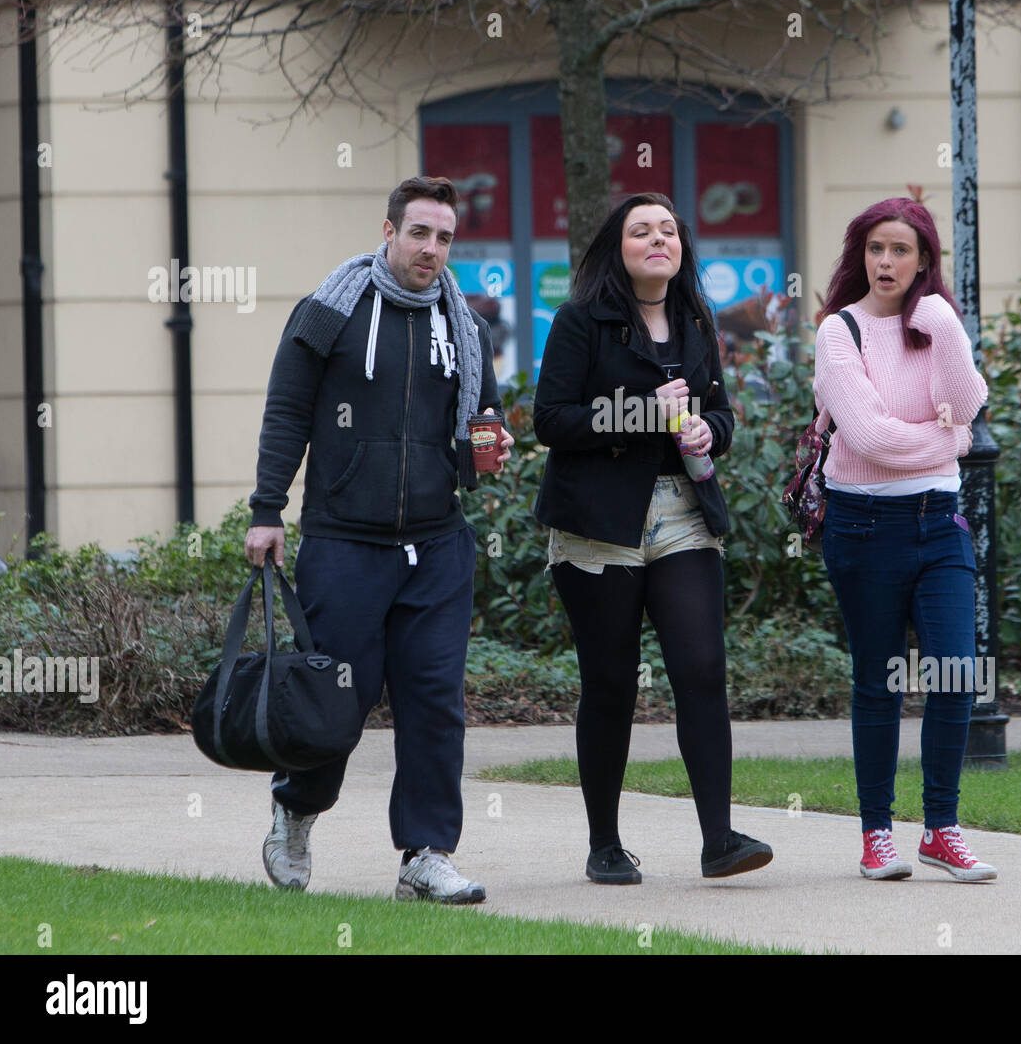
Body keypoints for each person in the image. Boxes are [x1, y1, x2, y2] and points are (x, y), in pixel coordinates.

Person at [244, 175, 514, 903]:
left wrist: (489, 446)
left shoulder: (465, 327)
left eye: (445, 237)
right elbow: (287, 411)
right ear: (388, 230)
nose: (432, 249)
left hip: (436, 546)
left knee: (434, 700)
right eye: (420, 232)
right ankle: (296, 811)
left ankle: (426, 853)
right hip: (343, 543)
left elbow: (478, 429)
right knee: (336, 697)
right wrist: (267, 509)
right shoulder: (328, 311)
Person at [532, 192, 772, 884]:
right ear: (619, 247)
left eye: (668, 229)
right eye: (642, 230)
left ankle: (719, 839)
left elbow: (721, 412)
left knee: (700, 668)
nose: (658, 238)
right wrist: (642, 415)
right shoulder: (583, 320)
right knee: (609, 684)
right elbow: (552, 417)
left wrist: (707, 431)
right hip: (600, 523)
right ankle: (605, 844)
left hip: (682, 511)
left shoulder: (696, 319)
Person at [813, 196, 997, 883]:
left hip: (940, 522)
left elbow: (969, 404)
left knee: (954, 672)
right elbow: (868, 437)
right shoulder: (840, 332)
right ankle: (876, 834)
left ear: (923, 261)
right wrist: (944, 437)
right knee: (878, 682)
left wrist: (944, 323)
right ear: (860, 255)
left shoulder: (936, 323)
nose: (885, 262)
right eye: (875, 249)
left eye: (900, 250)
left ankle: (941, 830)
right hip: (863, 524)